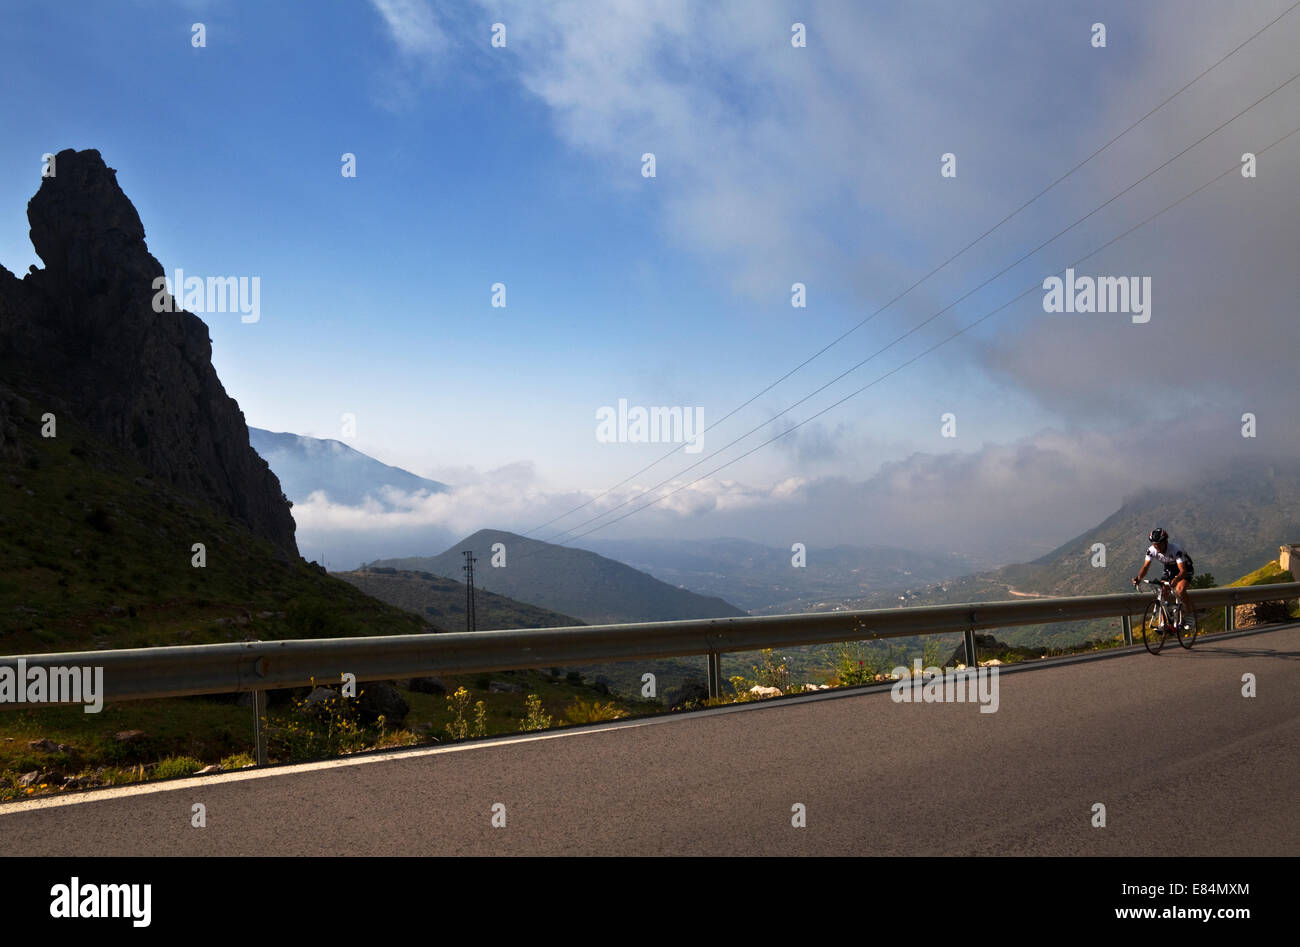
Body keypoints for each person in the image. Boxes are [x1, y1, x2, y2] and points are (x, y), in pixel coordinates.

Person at [1133, 527, 1194, 628]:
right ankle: (1163, 622)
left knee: (1180, 590)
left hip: (1184, 569)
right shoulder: (1151, 550)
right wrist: (1138, 578)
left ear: (1166, 541)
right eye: (1154, 543)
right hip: (1169, 568)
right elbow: (1145, 567)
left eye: (1159, 543)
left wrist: (1176, 580)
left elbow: (1182, 571)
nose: (1156, 546)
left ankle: (1190, 616)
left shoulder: (1175, 550)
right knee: (1162, 592)